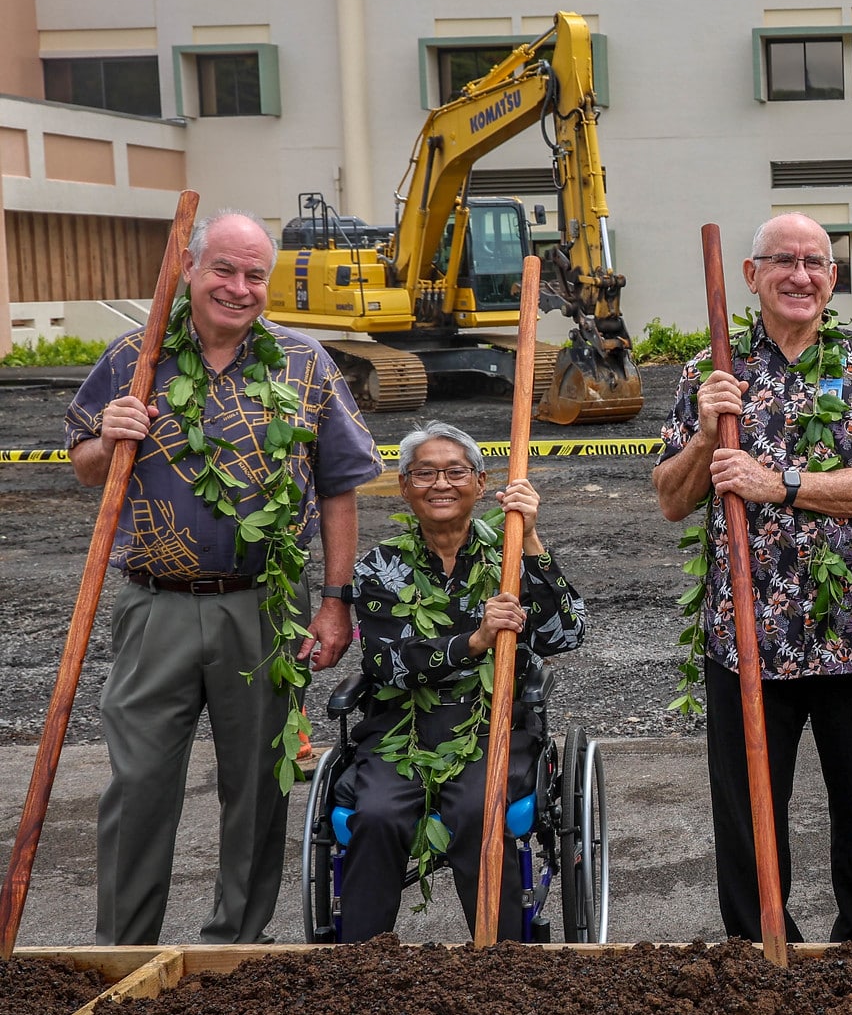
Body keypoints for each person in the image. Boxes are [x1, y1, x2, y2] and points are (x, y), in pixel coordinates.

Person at [65, 209, 383, 946]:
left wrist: (335, 603)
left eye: (254, 275)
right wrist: (108, 438)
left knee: (258, 786)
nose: (239, 288)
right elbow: (84, 466)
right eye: (224, 270)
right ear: (189, 270)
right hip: (156, 604)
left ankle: (233, 949)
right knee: (138, 783)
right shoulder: (135, 357)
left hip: (265, 607)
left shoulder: (305, 363)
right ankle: (125, 953)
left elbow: (339, 486)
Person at [654, 212, 852, 943]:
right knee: (747, 821)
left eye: (814, 263)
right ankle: (761, 955)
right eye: (783, 261)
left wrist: (780, 484)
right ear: (751, 275)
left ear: (832, 278)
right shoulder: (710, 373)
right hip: (748, 640)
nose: (800, 276)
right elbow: (672, 499)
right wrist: (706, 434)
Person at [334, 423, 586, 942]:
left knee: (480, 809)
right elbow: (384, 662)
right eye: (425, 473)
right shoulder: (380, 567)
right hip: (401, 727)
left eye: (455, 471)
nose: (441, 484)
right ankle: (359, 965)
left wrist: (531, 538)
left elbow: (566, 634)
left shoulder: (508, 553)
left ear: (480, 481)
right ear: (404, 487)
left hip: (494, 723)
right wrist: (473, 642)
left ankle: (502, 960)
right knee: (376, 814)